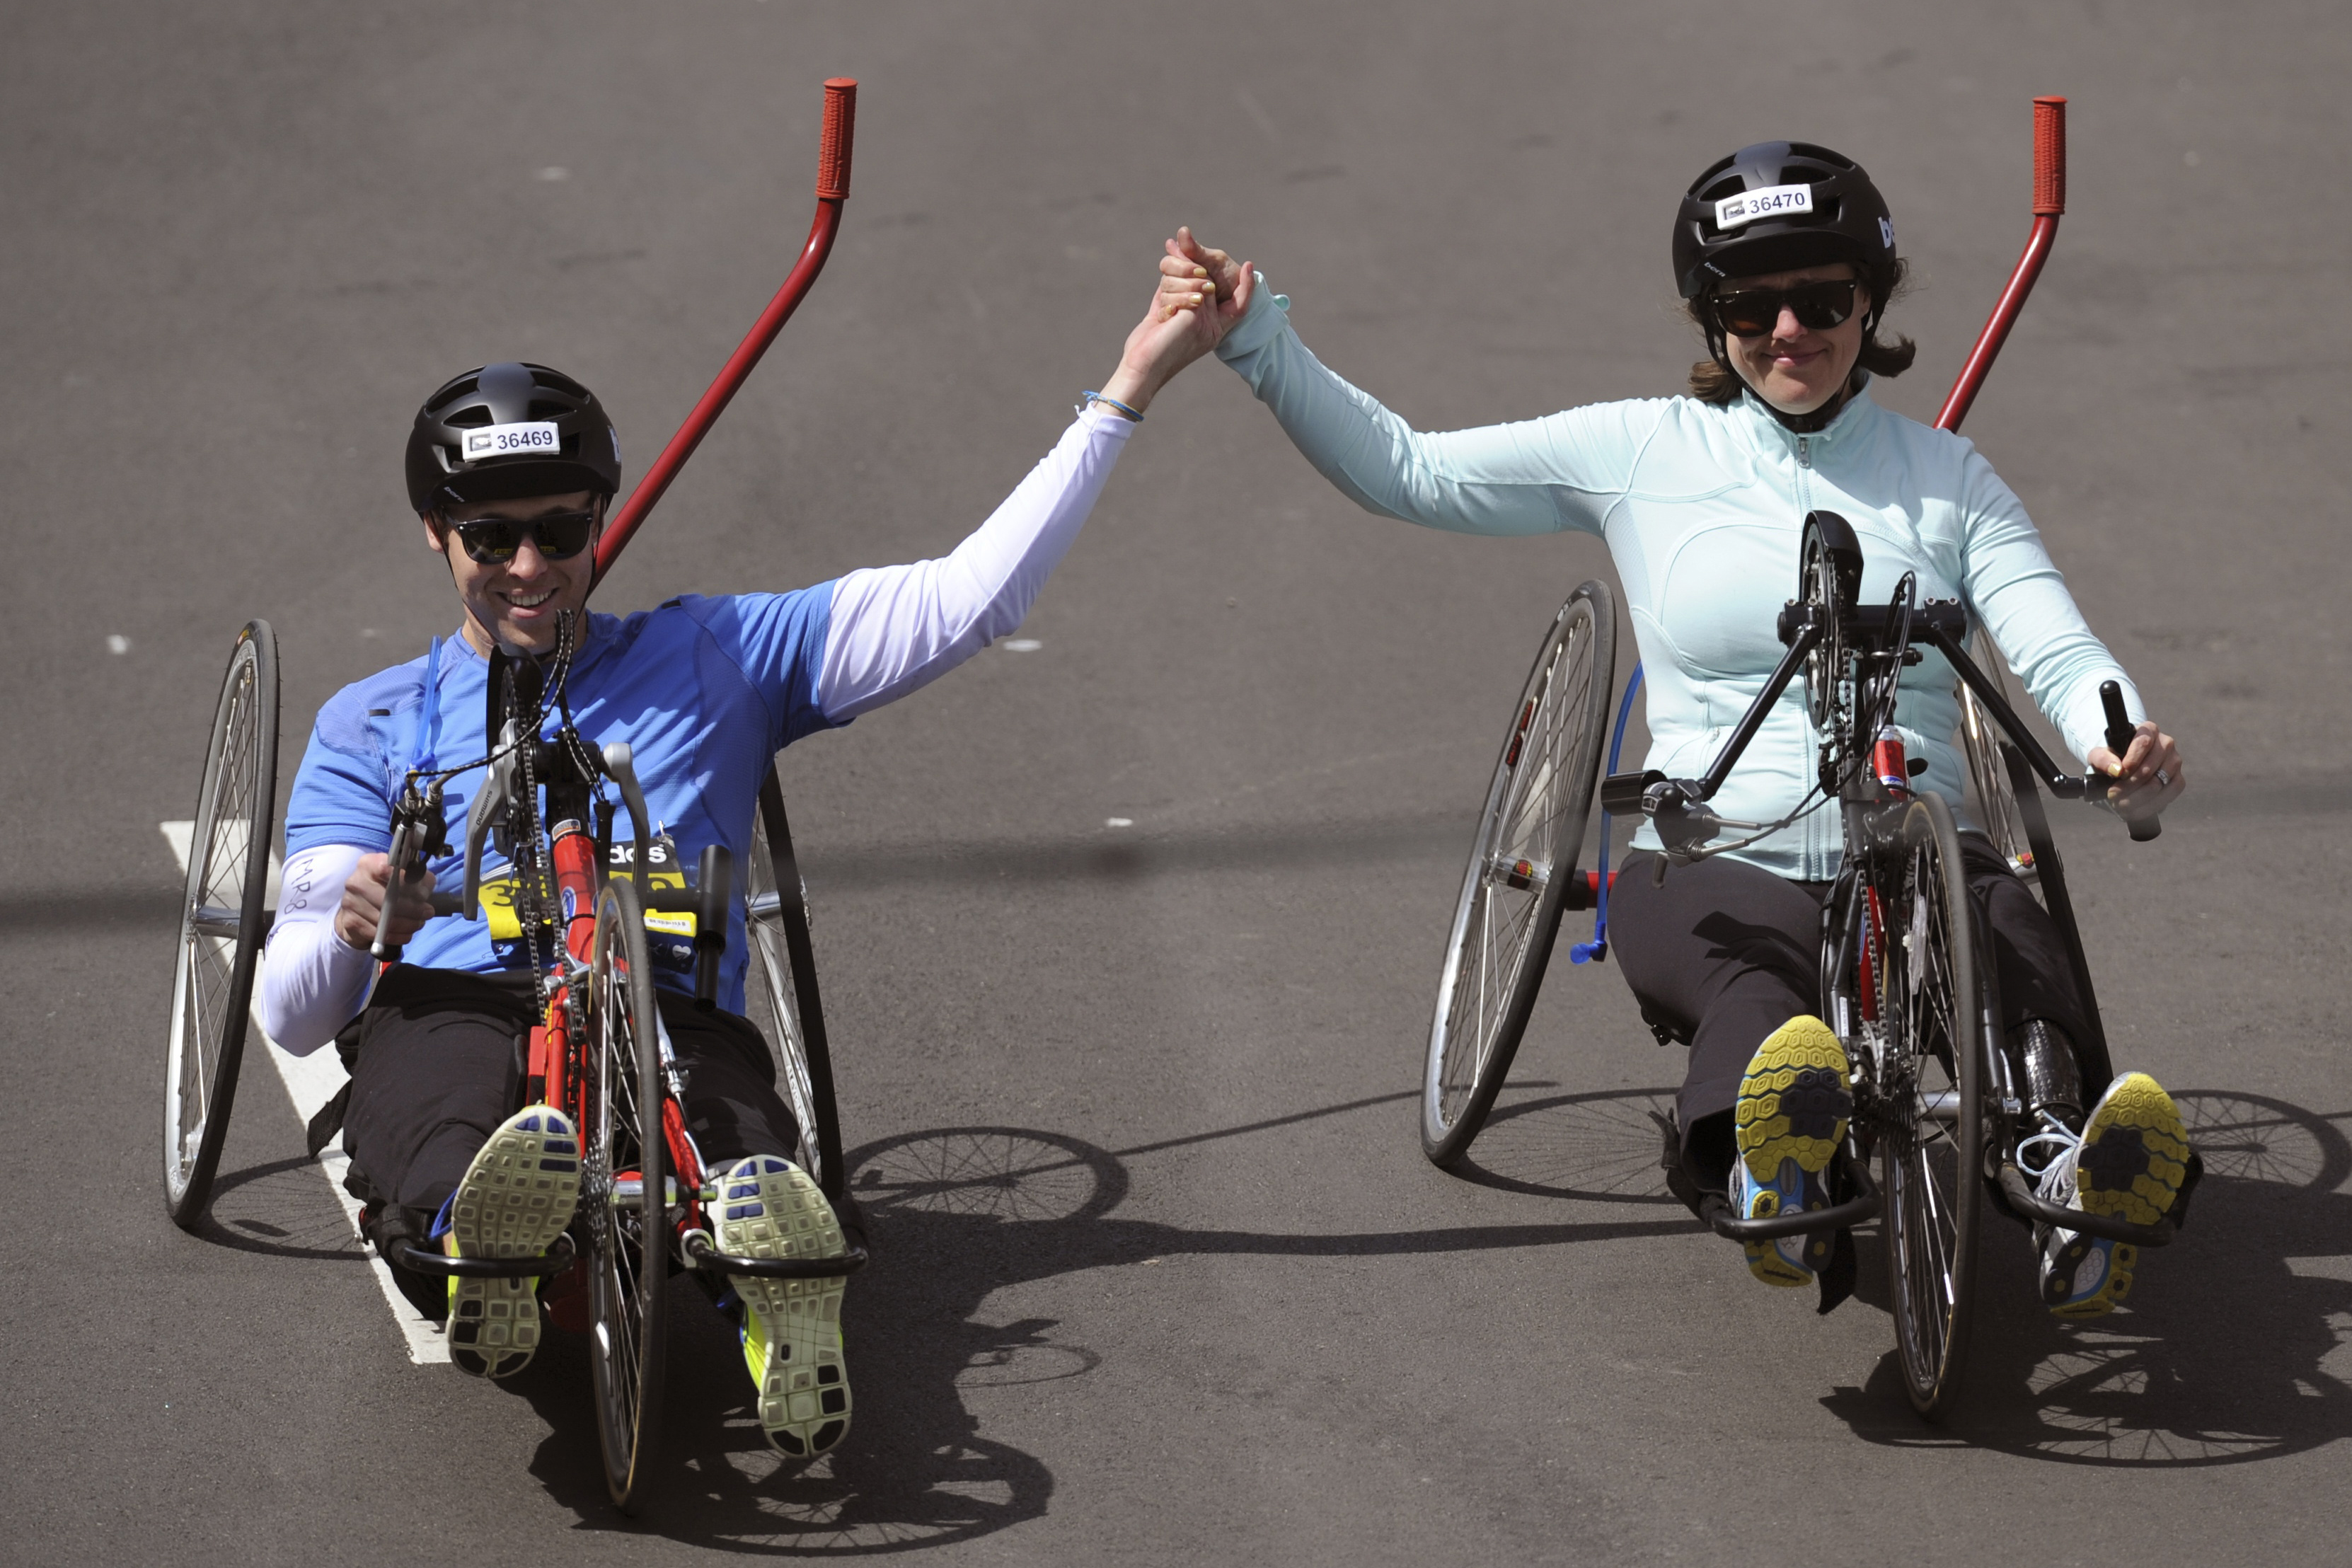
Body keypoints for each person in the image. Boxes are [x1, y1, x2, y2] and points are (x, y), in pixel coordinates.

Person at [1159, 142, 2192, 1318]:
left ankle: (2066, 1170)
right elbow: (1410, 470)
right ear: (1713, 319)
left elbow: (2057, 650)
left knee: (2005, 930)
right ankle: (1767, 1161)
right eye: (1752, 308)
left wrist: (2120, 742)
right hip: (1714, 852)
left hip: (1919, 849)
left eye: (1823, 299)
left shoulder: (1949, 479)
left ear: (1870, 304)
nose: (1789, 330)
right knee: (1760, 992)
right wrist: (1258, 340)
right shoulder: (1643, 451)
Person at [259, 273, 1223, 1457]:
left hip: (665, 1006)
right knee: (440, 1114)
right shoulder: (372, 722)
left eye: (561, 530)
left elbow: (969, 600)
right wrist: (354, 925)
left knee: (736, 1155)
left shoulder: (716, 655)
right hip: (452, 999)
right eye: (492, 538)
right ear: (436, 532)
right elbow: (292, 1015)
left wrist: (1128, 386)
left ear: (601, 518)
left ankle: (779, 1300)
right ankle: (481, 1243)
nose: (530, 566)